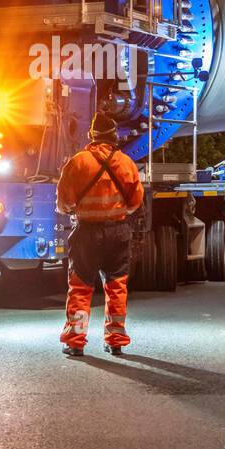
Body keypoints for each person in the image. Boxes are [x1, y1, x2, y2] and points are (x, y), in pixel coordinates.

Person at [55, 113, 144, 357]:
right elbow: (136, 201)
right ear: (114, 136)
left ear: (92, 136)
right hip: (118, 232)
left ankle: (75, 341)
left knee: (81, 287)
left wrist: (75, 210)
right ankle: (115, 339)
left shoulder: (78, 162)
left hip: (86, 233)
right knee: (116, 286)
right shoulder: (126, 163)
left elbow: (64, 202)